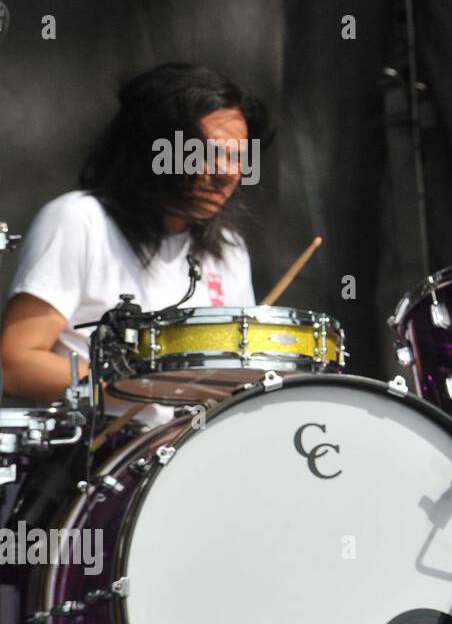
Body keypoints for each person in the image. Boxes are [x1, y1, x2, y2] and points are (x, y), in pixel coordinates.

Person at [1, 62, 266, 426]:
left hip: (194, 459)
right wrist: (142, 387)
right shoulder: (79, 220)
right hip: (94, 465)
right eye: (206, 153)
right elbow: (16, 365)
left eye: (238, 157)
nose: (226, 173)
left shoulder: (229, 248)